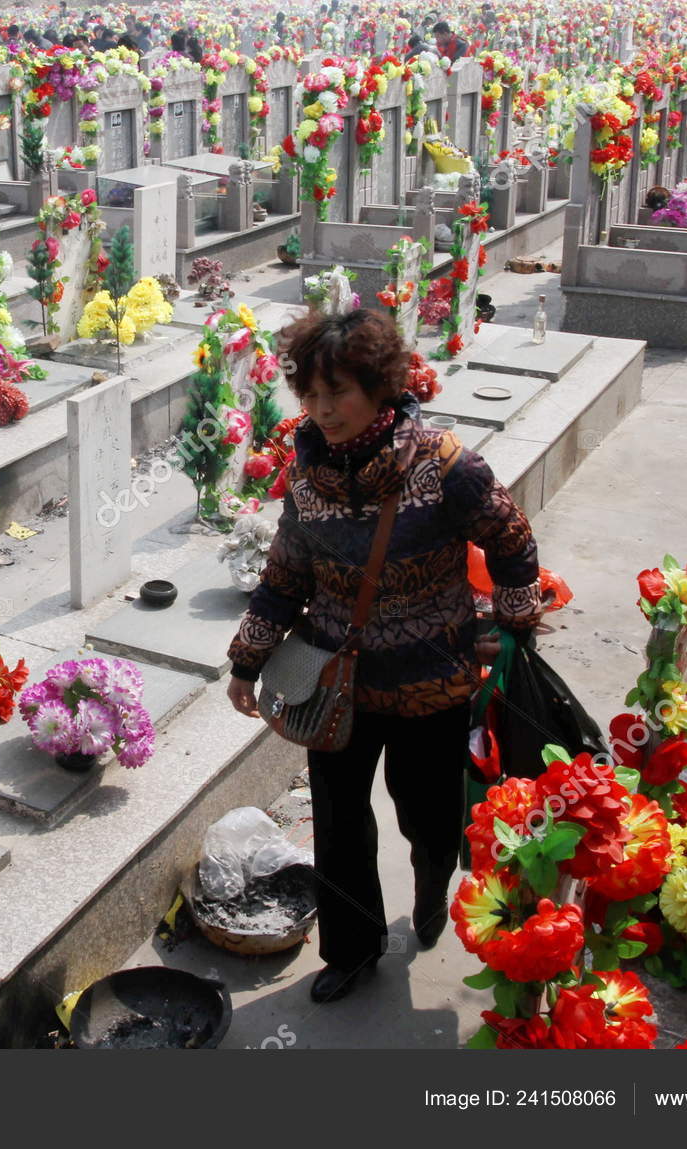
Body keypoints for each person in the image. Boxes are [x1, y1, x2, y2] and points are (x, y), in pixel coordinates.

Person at [226, 309, 541, 1005]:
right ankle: (352, 947)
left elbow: (511, 539)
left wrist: (517, 624)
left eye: (337, 391)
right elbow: (284, 578)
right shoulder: (307, 480)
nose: (322, 409)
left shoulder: (442, 464)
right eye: (308, 395)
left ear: (378, 386)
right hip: (338, 684)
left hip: (432, 682)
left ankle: (433, 883)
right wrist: (247, 661)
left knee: (427, 814)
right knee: (338, 824)